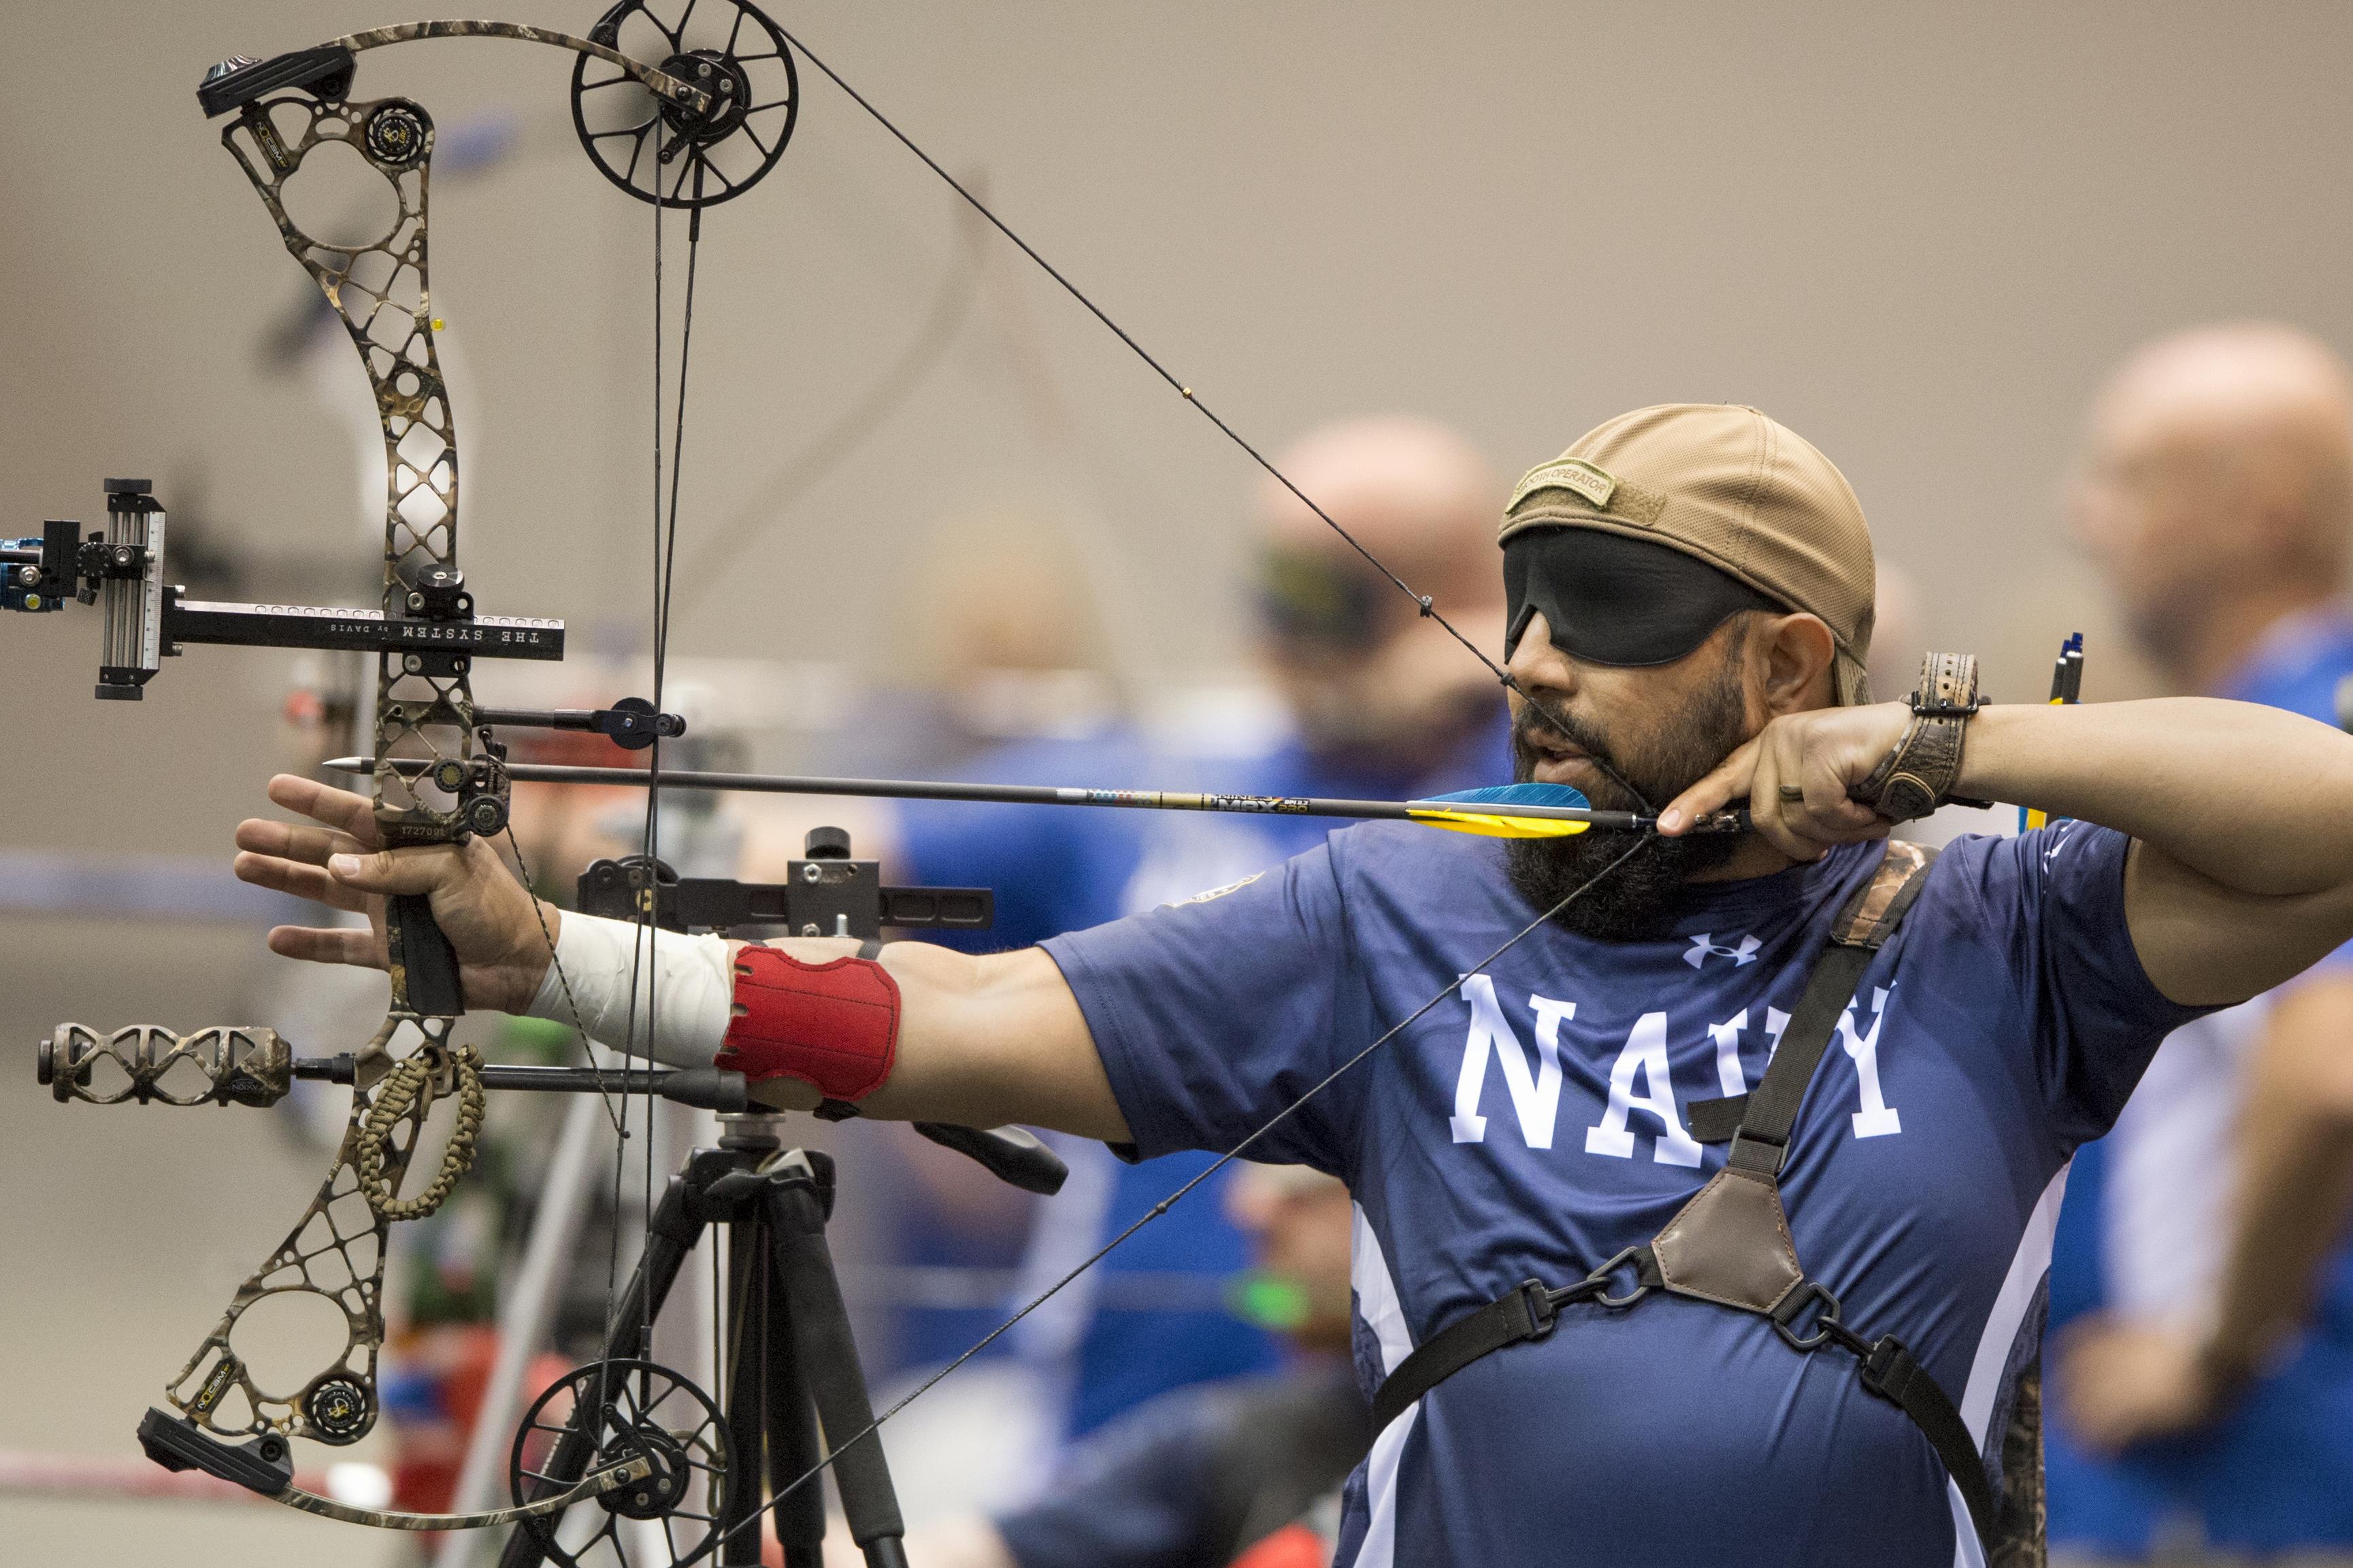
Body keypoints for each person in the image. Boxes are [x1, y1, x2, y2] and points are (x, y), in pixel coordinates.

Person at [231, 402, 2353, 1566]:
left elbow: (2327, 814)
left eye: (1601, 616)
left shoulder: (2001, 938)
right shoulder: (1386, 914)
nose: (1525, 664)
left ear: (1784, 662)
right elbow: (936, 1027)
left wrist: (1929, 759)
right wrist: (546, 951)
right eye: (1522, 611)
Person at [886, 416, 1511, 1443]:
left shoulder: (1551, 806)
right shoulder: (1165, 783)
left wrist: (1501, 670)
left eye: (1331, 598)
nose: (1279, 634)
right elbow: (823, 843)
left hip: (1424, 1444)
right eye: (1276, 587)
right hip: (1113, 1439)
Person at [2046, 323, 2353, 1563]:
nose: (2081, 516)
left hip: (2255, 1462)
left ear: (2260, 512)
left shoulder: (2306, 745)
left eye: (2124, 478)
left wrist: (2210, 1348)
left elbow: (2329, 1072)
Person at [833, 1163, 1368, 1568]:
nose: (1254, 1205)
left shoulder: (1439, 1435)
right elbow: (976, 1553)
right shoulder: (1234, 1441)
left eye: (1308, 1181)